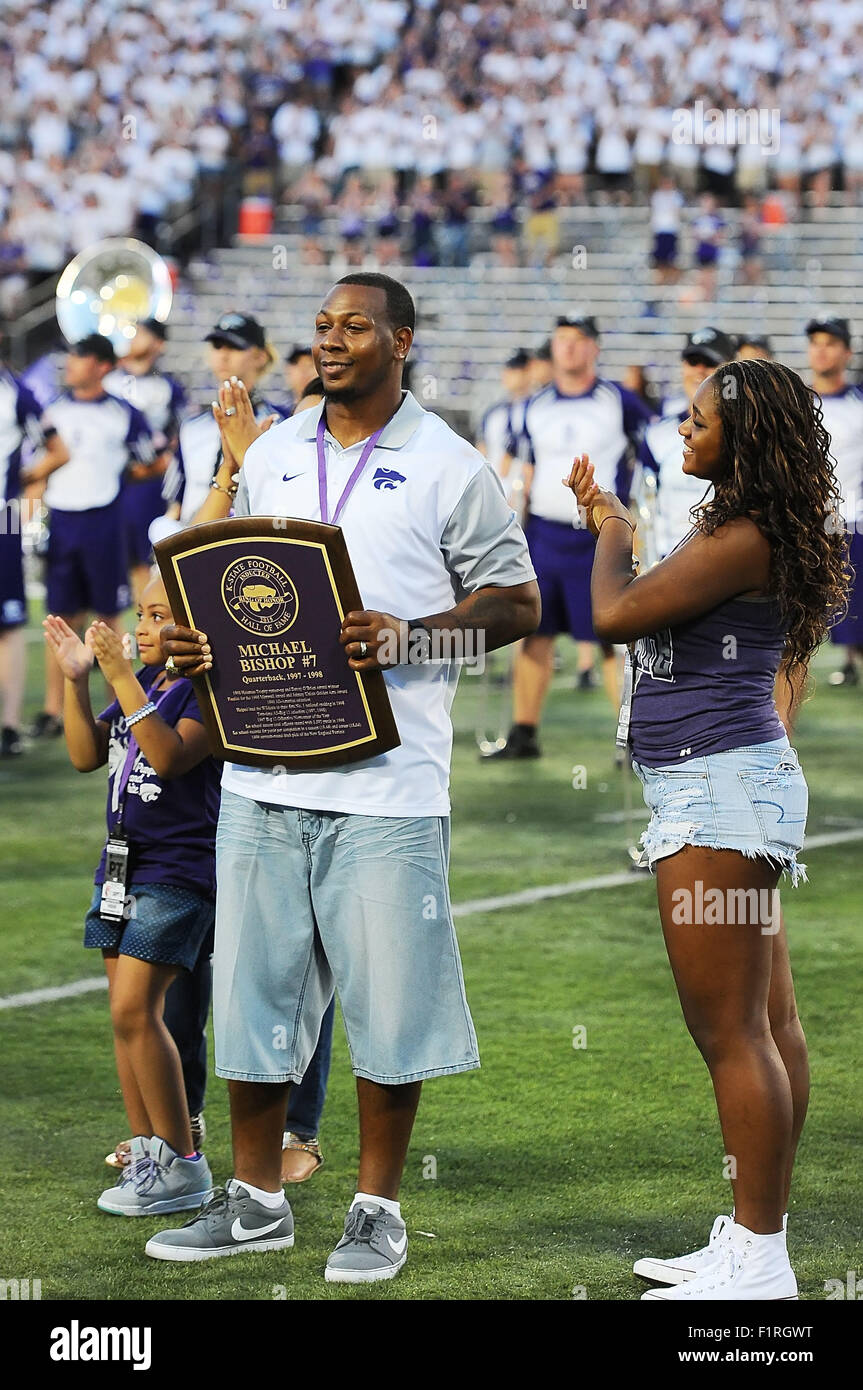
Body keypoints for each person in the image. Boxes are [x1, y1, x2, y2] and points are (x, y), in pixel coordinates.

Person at [146, 271, 540, 1279]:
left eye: (353, 325)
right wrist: (202, 650)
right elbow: (243, 593)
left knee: (387, 1010)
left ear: (399, 340)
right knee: (248, 1003)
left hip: (388, 784)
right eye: (320, 325)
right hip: (263, 773)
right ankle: (255, 1200)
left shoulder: (452, 464)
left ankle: (375, 1207)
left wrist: (416, 639)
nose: (329, 339)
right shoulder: (270, 453)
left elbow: (515, 605)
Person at [564, 357, 847, 1300]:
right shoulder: (740, 527)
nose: (681, 430)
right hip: (728, 785)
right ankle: (749, 1234)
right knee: (766, 1023)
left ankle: (761, 1257)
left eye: (696, 421)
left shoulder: (742, 535)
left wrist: (609, 528)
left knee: (730, 1033)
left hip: (716, 792)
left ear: (745, 438)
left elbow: (609, 613)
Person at [43, 570, 222, 1216]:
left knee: (132, 1011)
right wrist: (76, 679)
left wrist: (119, 675)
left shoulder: (207, 689)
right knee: (125, 1022)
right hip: (120, 868)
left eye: (156, 617)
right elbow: (87, 756)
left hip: (177, 872)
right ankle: (150, 1156)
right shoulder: (145, 681)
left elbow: (171, 757)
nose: (140, 628)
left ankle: (184, 1163)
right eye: (140, 615)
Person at [487, 315, 653, 757]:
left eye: (579, 341)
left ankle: (632, 738)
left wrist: (633, 521)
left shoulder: (619, 401)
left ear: (595, 348)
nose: (569, 349)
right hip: (544, 533)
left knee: (612, 640)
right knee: (534, 633)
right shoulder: (534, 404)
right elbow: (525, 466)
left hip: (599, 536)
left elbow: (649, 455)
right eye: (562, 340)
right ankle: (523, 734)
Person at [31, 334, 153, 738]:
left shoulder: (123, 412)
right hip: (63, 520)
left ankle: (118, 707)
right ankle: (54, 711)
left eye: (81, 357)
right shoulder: (52, 409)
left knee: (108, 617)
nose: (71, 363)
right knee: (61, 618)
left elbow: (149, 461)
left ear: (102, 365)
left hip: (104, 519)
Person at [156, 314, 289, 538]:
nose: (223, 355)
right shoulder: (191, 426)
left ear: (260, 357)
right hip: (193, 546)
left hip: (253, 543)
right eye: (217, 346)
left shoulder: (282, 423)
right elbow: (177, 502)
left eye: (235, 346)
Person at [0, 330, 69, 755]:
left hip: (3, 519)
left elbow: (56, 449)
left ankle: (8, 724)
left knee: (8, 622)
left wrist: (23, 483)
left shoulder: (16, 392)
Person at [635, 329, 737, 562]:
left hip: (727, 564)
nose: (700, 370)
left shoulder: (748, 434)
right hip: (668, 561)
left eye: (710, 363)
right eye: (693, 362)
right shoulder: (657, 434)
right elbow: (643, 509)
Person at [106, 319, 186, 603]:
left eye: (141, 333)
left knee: (145, 557)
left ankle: (146, 619)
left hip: (147, 483)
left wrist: (159, 463)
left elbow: (179, 436)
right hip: (109, 480)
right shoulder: (109, 378)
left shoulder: (168, 387)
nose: (133, 336)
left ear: (157, 343)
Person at [804, 317, 863, 685]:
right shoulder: (796, 400)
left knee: (854, 600)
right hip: (805, 520)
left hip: (853, 516)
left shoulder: (859, 402)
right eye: (815, 342)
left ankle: (850, 661)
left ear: (847, 352)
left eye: (830, 342)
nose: (821, 349)